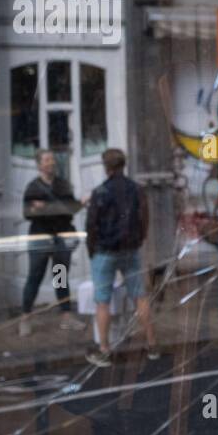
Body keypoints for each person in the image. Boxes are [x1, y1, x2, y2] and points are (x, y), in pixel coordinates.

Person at [86, 148, 156, 365]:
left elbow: (92, 225)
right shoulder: (136, 189)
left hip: (106, 251)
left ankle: (104, 348)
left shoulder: (100, 192)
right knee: (140, 297)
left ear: (106, 167)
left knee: (102, 302)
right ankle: (152, 344)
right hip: (130, 250)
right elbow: (144, 216)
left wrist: (92, 249)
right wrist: (140, 239)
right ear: (123, 165)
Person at [21, 149, 84, 336]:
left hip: (61, 238)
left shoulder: (63, 185)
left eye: (52, 160)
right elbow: (26, 213)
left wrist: (48, 207)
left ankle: (66, 316)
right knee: (35, 276)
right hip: (40, 238)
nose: (51, 163)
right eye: (47, 160)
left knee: (60, 277)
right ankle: (25, 318)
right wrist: (44, 209)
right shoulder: (33, 188)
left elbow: (72, 209)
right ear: (39, 165)